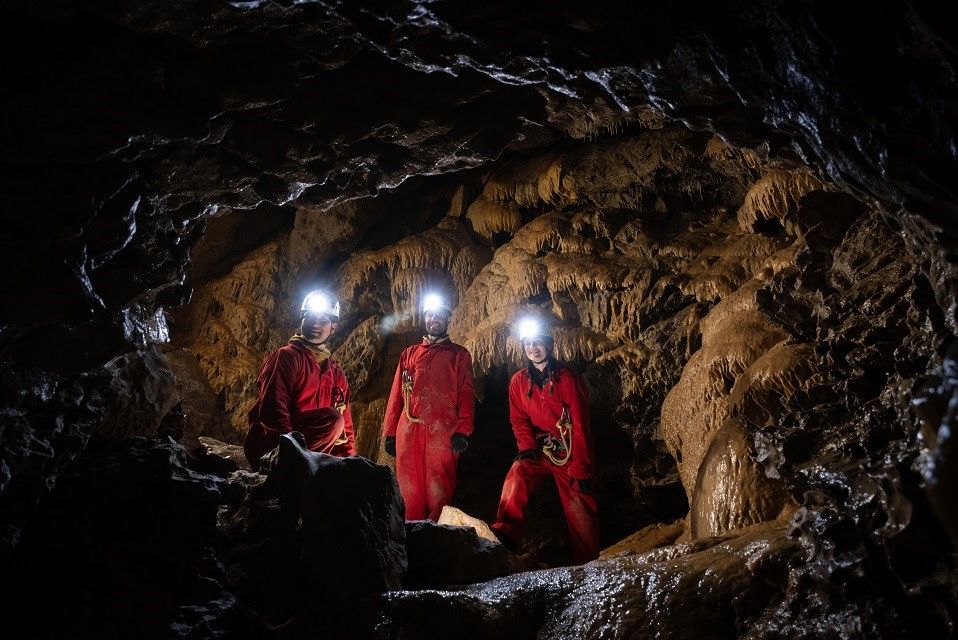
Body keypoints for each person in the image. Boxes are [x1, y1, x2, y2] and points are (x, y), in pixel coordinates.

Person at [491, 318, 598, 564]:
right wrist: (527, 448)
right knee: (518, 472)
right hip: (541, 448)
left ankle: (588, 559)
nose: (533, 348)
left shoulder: (567, 378)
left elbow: (580, 422)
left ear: (548, 345)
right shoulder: (518, 382)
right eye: (528, 343)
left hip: (569, 447)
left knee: (579, 501)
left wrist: (581, 468)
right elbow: (518, 419)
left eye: (537, 342)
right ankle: (506, 533)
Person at [382, 293, 475, 521]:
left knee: (439, 489)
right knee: (408, 491)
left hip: (442, 432)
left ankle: (437, 542)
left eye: (439, 315)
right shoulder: (409, 354)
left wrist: (464, 430)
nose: (434, 319)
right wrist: (390, 432)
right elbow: (396, 396)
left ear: (447, 319)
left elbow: (466, 394)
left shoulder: (459, 355)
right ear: (425, 318)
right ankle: (410, 541)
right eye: (430, 314)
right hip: (409, 429)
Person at [244, 290, 355, 469]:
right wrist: (288, 451)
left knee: (340, 429)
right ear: (303, 319)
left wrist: (350, 464)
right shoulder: (286, 357)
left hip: (311, 455)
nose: (315, 323)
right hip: (271, 446)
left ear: (333, 328)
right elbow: (273, 408)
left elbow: (345, 431)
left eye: (323, 320)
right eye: (310, 316)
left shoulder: (336, 374)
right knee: (333, 420)